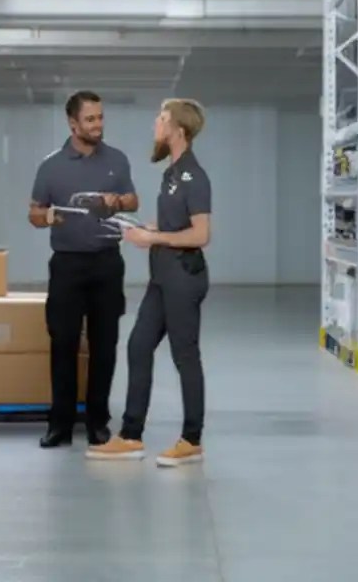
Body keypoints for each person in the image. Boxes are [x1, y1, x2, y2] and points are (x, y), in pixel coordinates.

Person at [87, 98, 211, 467]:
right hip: (162, 277)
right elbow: (175, 225)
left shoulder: (193, 175)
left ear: (179, 129)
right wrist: (144, 227)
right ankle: (130, 436)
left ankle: (191, 440)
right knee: (139, 346)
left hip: (183, 278)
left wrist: (153, 239)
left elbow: (201, 234)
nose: (156, 123)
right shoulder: (170, 174)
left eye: (162, 118)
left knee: (184, 356)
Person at [29, 91, 138, 449]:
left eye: (101, 118)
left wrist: (117, 201)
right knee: (63, 343)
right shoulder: (51, 166)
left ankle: (97, 422)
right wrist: (49, 217)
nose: (98, 125)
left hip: (107, 263)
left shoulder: (117, 161)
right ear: (73, 123)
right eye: (90, 119)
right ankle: (59, 424)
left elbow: (133, 200)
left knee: (104, 345)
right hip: (67, 265)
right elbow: (33, 212)